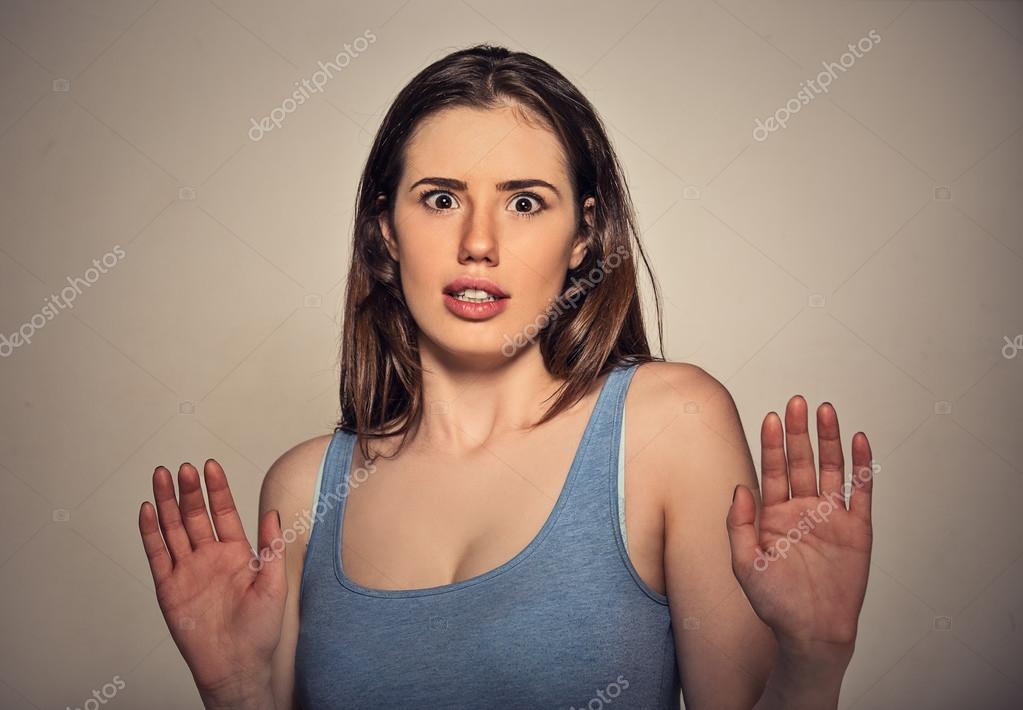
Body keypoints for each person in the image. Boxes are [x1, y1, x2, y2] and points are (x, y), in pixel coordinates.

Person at [137, 44, 874, 709]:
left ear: (585, 236)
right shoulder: (302, 491)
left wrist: (814, 661)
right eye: (440, 198)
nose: (478, 243)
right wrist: (232, 689)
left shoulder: (668, 425)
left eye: (524, 203)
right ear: (385, 231)